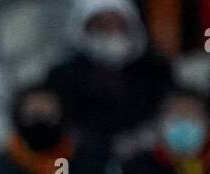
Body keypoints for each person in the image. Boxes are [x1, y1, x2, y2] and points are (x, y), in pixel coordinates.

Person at [47, 0, 175, 155]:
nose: (111, 32)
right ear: (86, 28)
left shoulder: (156, 71)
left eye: (116, 24)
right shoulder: (63, 76)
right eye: (101, 25)